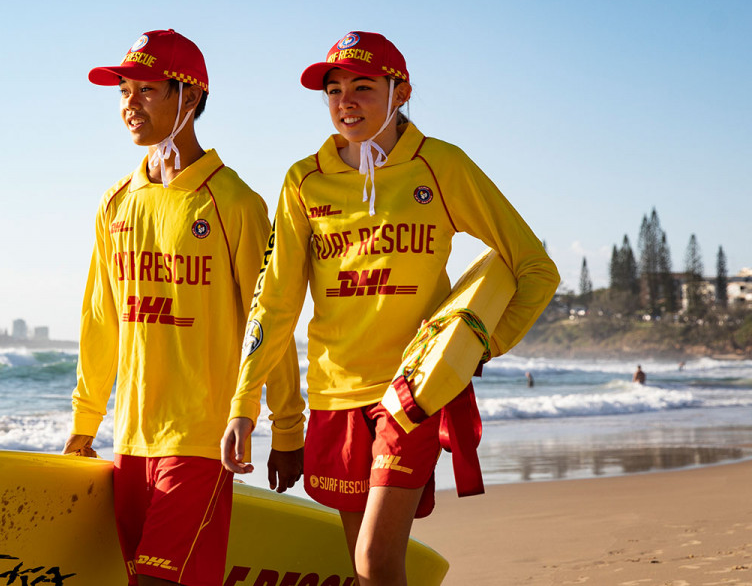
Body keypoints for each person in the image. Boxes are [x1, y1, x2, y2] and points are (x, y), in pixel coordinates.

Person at [221, 31, 559, 586]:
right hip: (333, 394)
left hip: (409, 390)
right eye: (334, 90)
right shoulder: (304, 180)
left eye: (363, 87)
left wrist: (480, 347)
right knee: (366, 568)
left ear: (400, 92)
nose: (345, 102)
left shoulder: (439, 165)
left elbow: (535, 267)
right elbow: (275, 299)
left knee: (375, 560)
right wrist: (245, 404)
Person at [65, 29, 304, 586]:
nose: (130, 104)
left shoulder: (235, 202)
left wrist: (288, 426)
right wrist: (85, 422)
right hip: (129, 442)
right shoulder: (115, 202)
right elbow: (101, 319)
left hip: (202, 440)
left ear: (190, 97)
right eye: (124, 91)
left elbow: (269, 317)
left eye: (146, 90)